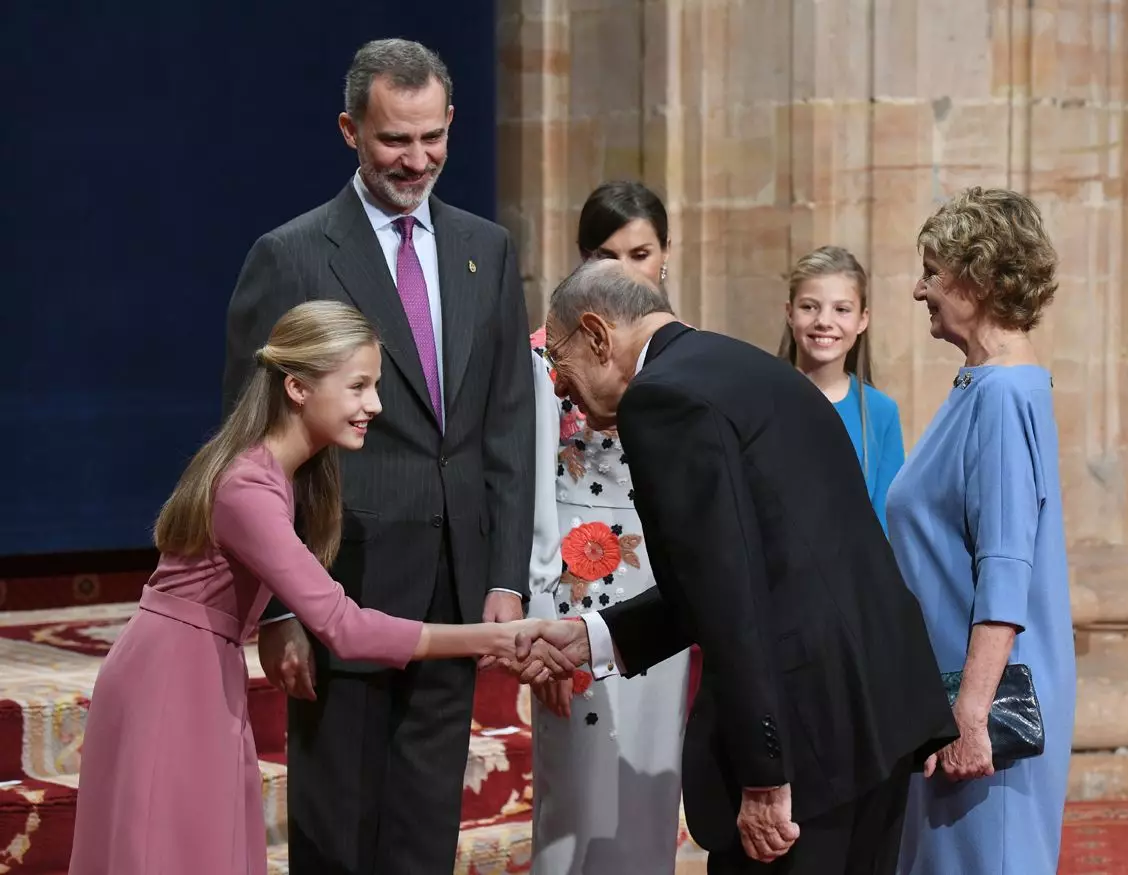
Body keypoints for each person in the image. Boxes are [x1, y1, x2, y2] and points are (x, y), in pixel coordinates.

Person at [68, 302, 560, 875]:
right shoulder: (247, 487)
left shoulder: (286, 473)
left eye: (373, 386)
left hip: (198, 666)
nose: (373, 405)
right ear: (298, 388)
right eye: (358, 387)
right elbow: (344, 628)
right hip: (171, 678)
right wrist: (496, 640)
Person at [514, 260, 957, 874]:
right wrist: (592, 635)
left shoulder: (660, 399)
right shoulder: (744, 366)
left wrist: (763, 776)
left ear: (596, 334)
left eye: (558, 362)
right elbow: (740, 567)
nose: (560, 386)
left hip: (806, 738)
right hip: (878, 708)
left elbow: (730, 598)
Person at [220, 39, 535, 874]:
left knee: (427, 818)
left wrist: (505, 574)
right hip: (339, 575)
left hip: (458, 574)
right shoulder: (291, 256)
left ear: (452, 123)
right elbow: (250, 441)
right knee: (341, 821)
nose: (417, 158)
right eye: (396, 139)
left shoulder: (488, 248)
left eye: (432, 136)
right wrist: (279, 608)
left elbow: (507, 423)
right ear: (349, 129)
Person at [885, 187, 1075, 875]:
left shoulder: (1001, 395)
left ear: (978, 276)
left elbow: (1004, 568)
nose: (919, 289)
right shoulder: (983, 383)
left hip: (981, 702)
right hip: (946, 690)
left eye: (932, 271)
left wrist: (971, 712)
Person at [526, 181, 688, 874]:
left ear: (666, 256)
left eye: (641, 252)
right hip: (573, 579)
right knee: (578, 801)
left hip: (664, 579)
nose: (625, 269)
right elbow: (530, 491)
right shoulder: (544, 355)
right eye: (606, 253)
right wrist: (538, 622)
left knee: (648, 789)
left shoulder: (682, 351)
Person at [778, 245, 904, 532]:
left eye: (842, 310)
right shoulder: (757, 397)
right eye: (809, 307)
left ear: (863, 319)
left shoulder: (881, 412)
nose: (824, 321)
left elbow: (884, 523)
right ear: (789, 313)